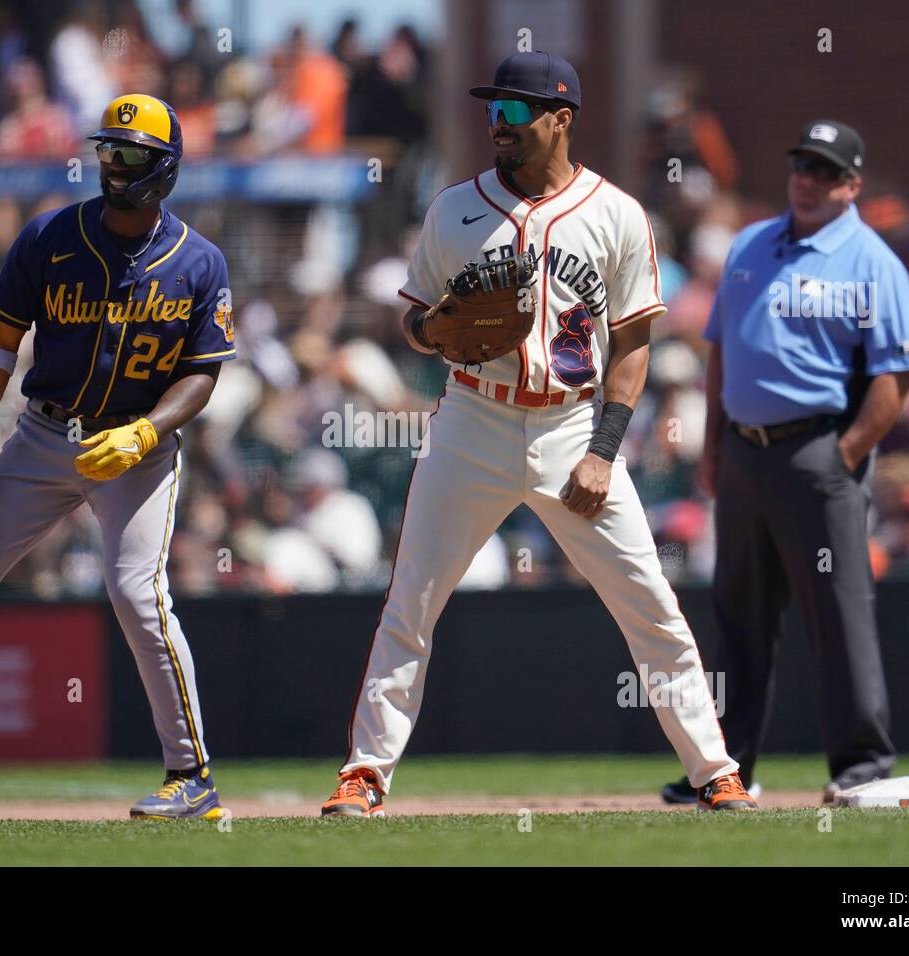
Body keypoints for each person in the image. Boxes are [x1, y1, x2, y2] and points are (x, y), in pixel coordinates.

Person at [320, 52, 757, 817]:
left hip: (571, 423)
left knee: (650, 605)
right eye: (494, 108)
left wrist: (602, 450)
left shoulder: (617, 213)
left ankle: (715, 772)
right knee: (410, 603)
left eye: (517, 111)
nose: (500, 123)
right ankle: (364, 773)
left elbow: (634, 345)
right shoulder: (455, 207)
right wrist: (431, 327)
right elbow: (413, 317)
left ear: (561, 120)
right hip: (472, 417)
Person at [0, 94, 237, 821]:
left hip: (136, 450)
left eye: (129, 156)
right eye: (107, 151)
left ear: (166, 169)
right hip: (44, 433)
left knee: (136, 593)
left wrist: (149, 432)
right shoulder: (50, 237)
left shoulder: (200, 262)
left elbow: (203, 372)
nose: (112, 165)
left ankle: (192, 775)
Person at [661, 120, 909, 806]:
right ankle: (725, 768)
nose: (809, 180)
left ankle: (863, 762)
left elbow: (897, 374)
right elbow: (720, 353)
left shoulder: (872, 262)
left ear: (852, 185)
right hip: (744, 451)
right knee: (737, 614)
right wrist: (715, 444)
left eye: (826, 171)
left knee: (837, 609)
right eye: (802, 165)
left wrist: (846, 453)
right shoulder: (751, 246)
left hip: (817, 448)